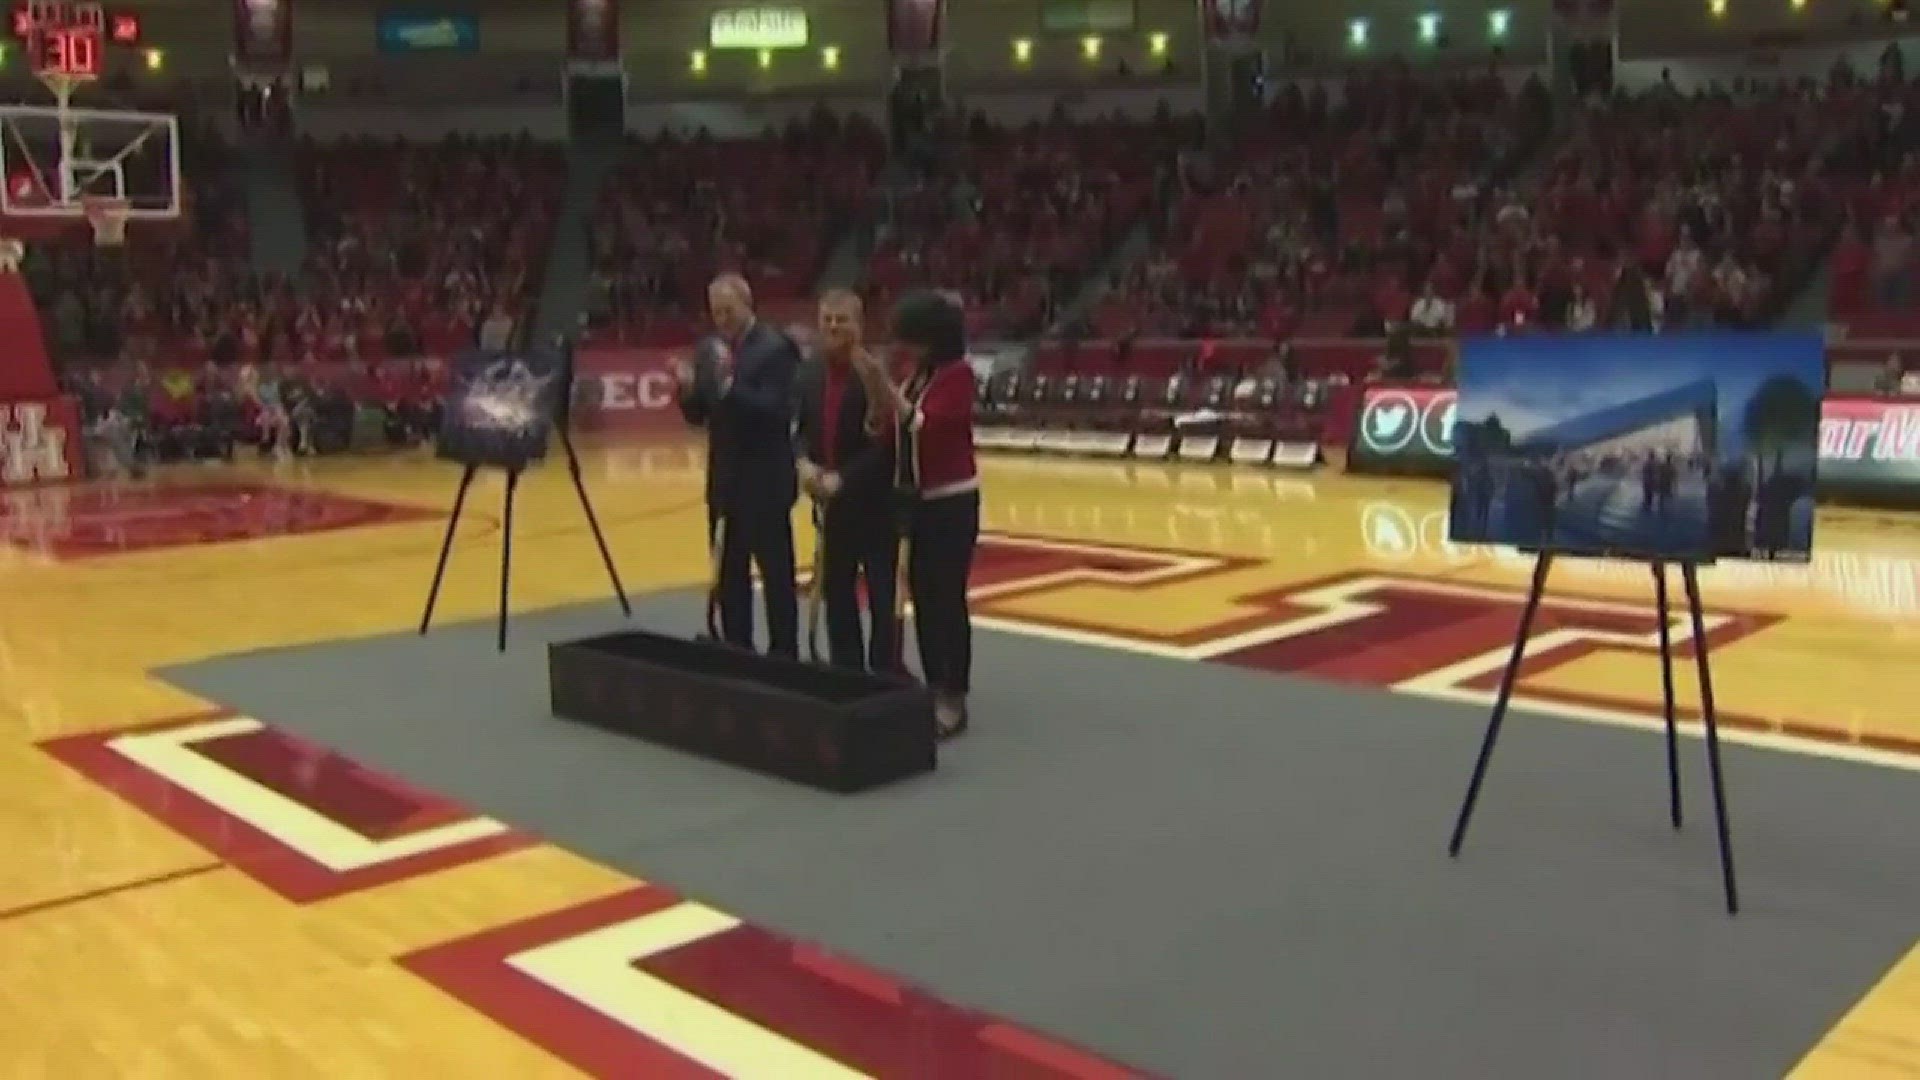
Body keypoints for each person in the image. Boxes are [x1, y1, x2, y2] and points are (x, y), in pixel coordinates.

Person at [851, 290, 980, 737]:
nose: (908, 347)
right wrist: (874, 389)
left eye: (915, 339)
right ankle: (933, 682)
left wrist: (885, 385)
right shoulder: (917, 376)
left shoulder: (959, 376)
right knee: (922, 598)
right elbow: (888, 430)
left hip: (952, 501)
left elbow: (923, 426)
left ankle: (954, 694)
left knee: (947, 599)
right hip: (915, 501)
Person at [675, 273, 802, 657]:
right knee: (730, 576)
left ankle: (785, 655)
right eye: (716, 312)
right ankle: (737, 649)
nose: (722, 318)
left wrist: (730, 388)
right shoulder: (709, 349)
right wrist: (687, 393)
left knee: (776, 576)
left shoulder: (776, 348)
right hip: (725, 481)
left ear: (748, 304)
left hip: (766, 482)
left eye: (728, 310)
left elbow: (776, 410)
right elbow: (701, 415)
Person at [793, 290, 899, 673]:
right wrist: (803, 462)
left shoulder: (875, 373)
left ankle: (885, 670)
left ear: (860, 325)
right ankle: (847, 669)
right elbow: (799, 428)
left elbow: (883, 444)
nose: (834, 326)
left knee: (882, 594)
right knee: (837, 591)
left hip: (875, 505)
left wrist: (844, 479)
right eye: (827, 320)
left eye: (842, 319)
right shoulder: (808, 372)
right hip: (830, 504)